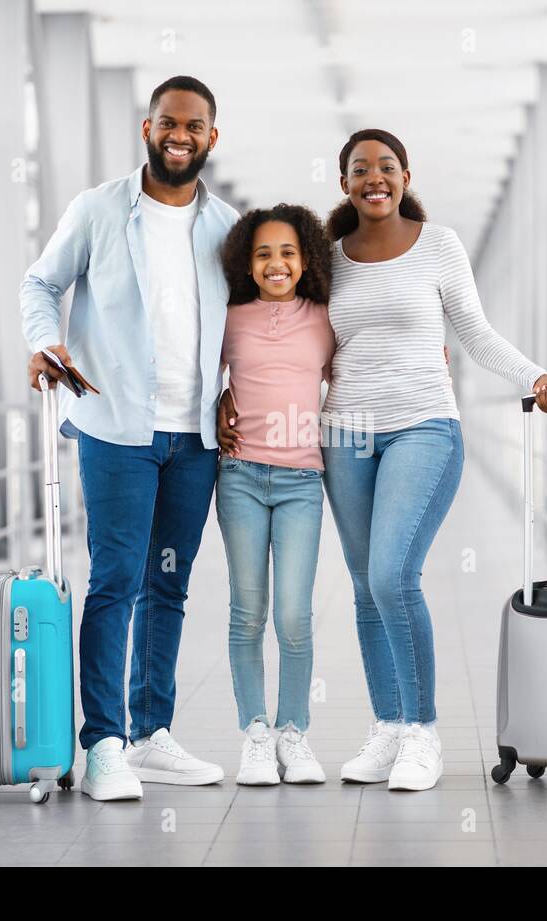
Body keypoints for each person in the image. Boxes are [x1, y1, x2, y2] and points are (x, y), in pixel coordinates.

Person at [221, 129, 547, 793]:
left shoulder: (438, 246)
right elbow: (294, 333)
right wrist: (226, 396)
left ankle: (422, 732)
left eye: (385, 167)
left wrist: (534, 377)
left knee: (391, 574)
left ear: (405, 176)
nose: (374, 178)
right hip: (346, 433)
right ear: (344, 181)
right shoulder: (327, 257)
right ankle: (386, 727)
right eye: (360, 169)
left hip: (422, 427)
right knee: (362, 584)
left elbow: (474, 333)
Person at [21, 76, 239, 802]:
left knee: (168, 584)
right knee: (116, 581)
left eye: (195, 125)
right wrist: (44, 343)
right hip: (116, 427)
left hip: (195, 436)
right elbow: (40, 283)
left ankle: (151, 735)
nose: (180, 135)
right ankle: (104, 744)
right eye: (168, 123)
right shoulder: (99, 210)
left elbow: (251, 323)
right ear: (148, 130)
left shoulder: (226, 226)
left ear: (212, 138)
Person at [215, 204, 335, 786]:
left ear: (305, 258)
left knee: (293, 615)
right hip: (239, 477)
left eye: (287, 252)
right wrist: (216, 402)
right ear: (247, 263)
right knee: (247, 612)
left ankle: (294, 733)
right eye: (263, 253)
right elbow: (195, 376)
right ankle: (255, 734)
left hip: (301, 483)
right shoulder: (229, 317)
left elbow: (360, 368)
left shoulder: (324, 318)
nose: (276, 263)